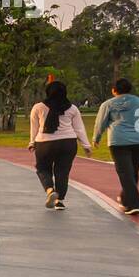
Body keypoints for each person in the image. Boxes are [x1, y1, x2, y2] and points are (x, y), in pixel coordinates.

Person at [92, 78, 139, 215]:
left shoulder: (109, 104)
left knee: (125, 172)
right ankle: (126, 199)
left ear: (114, 90)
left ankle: (134, 204)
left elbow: (100, 123)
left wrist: (96, 138)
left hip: (120, 142)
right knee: (132, 171)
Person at [27, 80, 91, 210]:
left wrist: (32, 142)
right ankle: (59, 201)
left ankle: (50, 190)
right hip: (68, 143)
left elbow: (34, 127)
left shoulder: (38, 107)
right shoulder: (72, 108)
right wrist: (86, 145)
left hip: (45, 143)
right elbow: (79, 128)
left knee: (43, 168)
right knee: (62, 171)